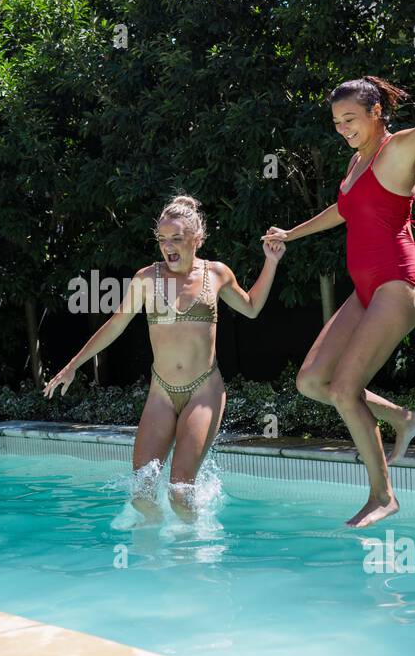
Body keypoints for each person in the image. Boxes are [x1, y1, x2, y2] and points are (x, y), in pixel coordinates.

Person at [263, 14, 415, 528]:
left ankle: (383, 495)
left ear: (376, 112)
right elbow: (343, 211)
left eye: (351, 119)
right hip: (365, 290)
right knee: (313, 381)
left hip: (398, 286)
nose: (343, 129)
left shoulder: (396, 150)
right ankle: (403, 418)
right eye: (337, 122)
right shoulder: (356, 164)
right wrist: (291, 234)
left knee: (343, 390)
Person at [44, 195, 285, 522]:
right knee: (141, 493)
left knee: (180, 492)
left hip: (204, 393)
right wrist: (73, 365)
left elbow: (252, 308)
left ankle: (196, 552)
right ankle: (156, 559)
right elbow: (116, 324)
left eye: (176, 238)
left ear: (197, 240)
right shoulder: (147, 279)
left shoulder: (216, 274)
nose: (167, 246)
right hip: (162, 393)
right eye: (161, 240)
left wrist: (270, 262)